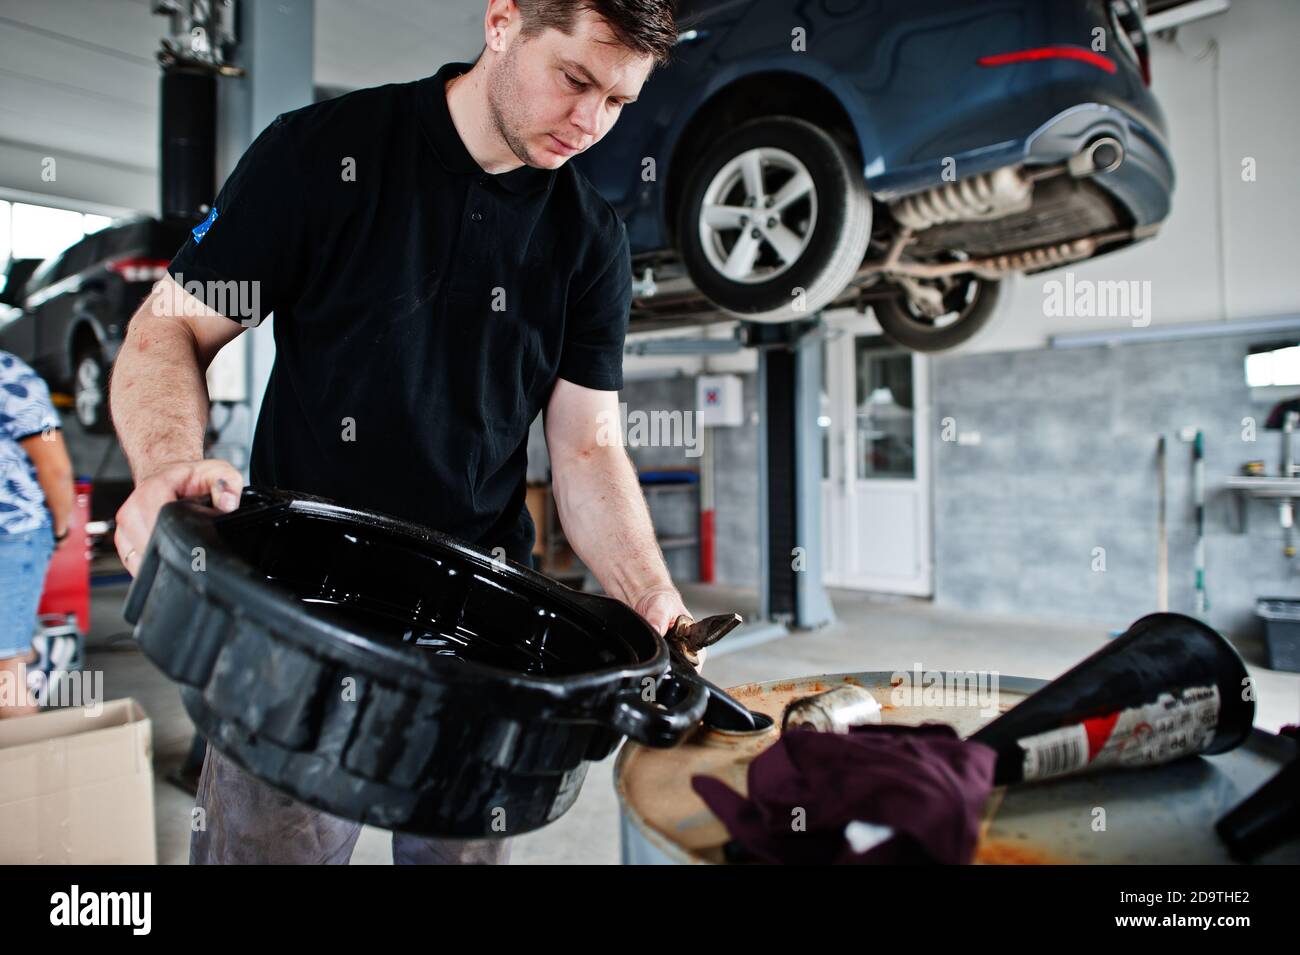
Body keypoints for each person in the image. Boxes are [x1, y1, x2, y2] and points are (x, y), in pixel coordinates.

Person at [109, 0, 696, 864]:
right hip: (297, 618)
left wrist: (650, 599)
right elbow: (172, 329)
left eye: (618, 103)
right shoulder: (319, 156)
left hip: (482, 631)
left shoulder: (590, 241)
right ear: (503, 21)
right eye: (574, 79)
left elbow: (586, 445)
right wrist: (167, 466)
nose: (590, 123)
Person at [0, 350, 74, 718]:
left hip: (9, 537)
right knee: (6, 671)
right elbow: (55, 468)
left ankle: (29, 773)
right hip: (15, 533)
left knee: (5, 672)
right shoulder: (8, 373)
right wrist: (61, 527)